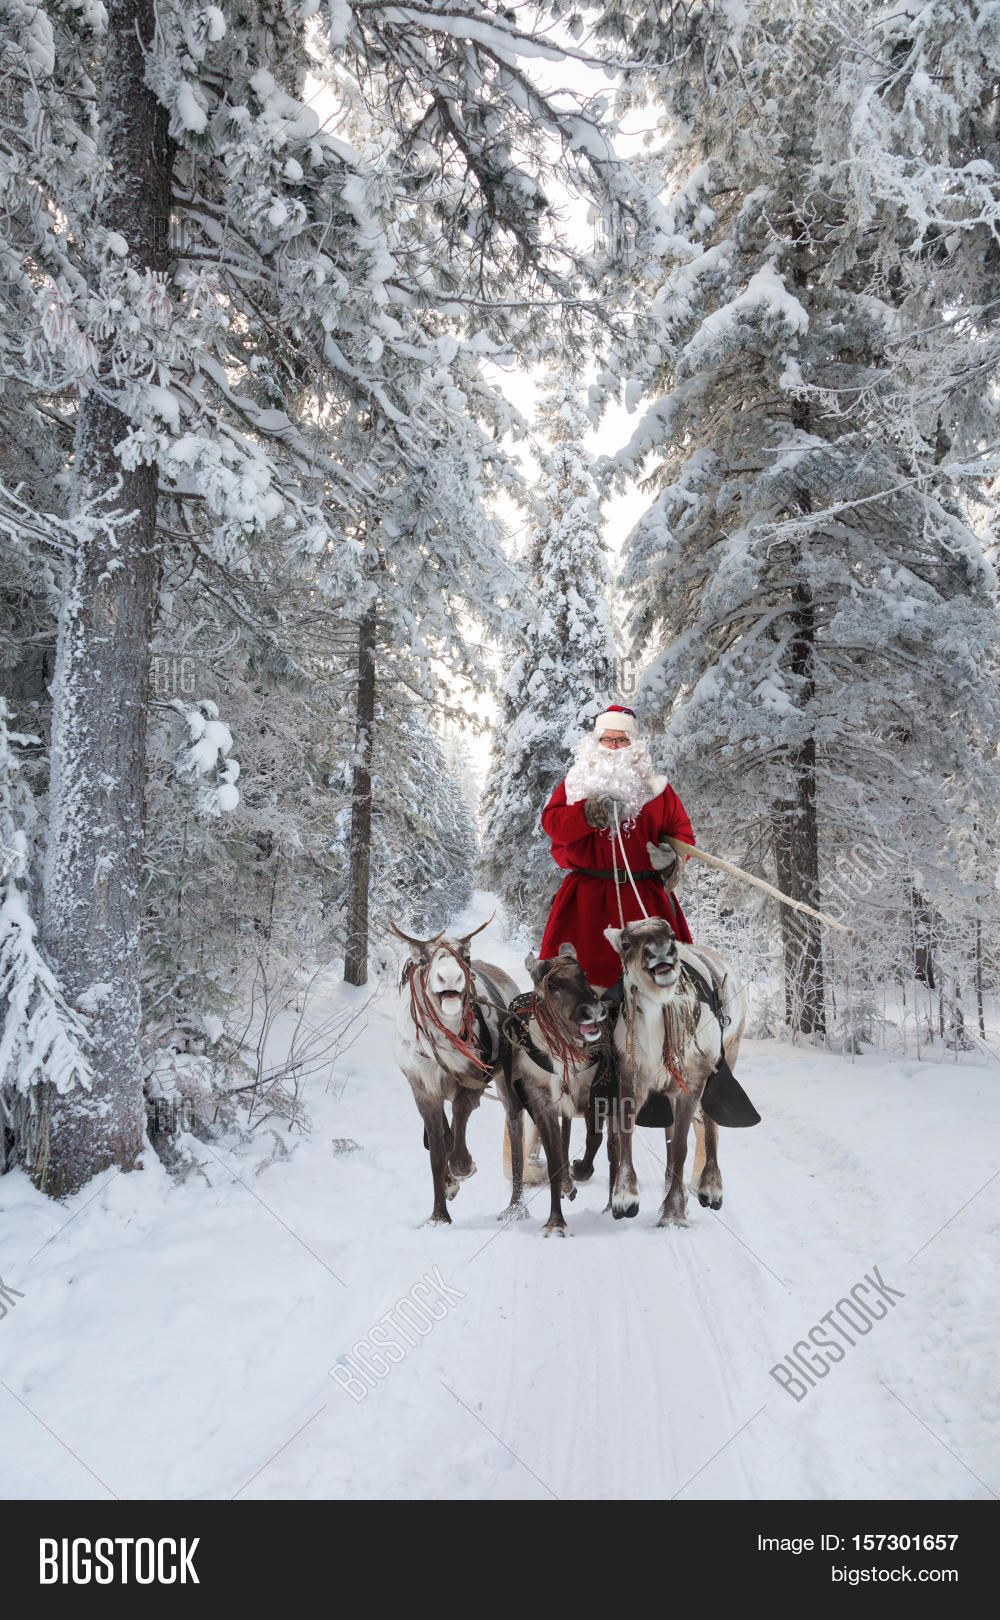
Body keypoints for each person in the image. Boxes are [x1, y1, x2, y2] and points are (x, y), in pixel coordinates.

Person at [538, 704, 695, 990]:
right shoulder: (574, 784)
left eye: (622, 740)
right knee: (573, 988)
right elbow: (552, 825)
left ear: (634, 746)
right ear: (595, 743)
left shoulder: (658, 790)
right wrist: (586, 814)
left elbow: (681, 833)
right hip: (585, 903)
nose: (614, 746)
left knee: (664, 986)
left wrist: (672, 860)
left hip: (645, 899)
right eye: (607, 739)